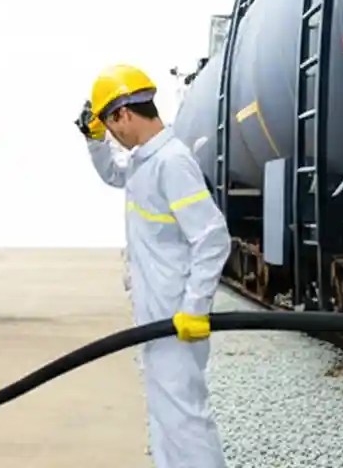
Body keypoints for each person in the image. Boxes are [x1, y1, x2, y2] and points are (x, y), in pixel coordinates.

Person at [76, 64, 231, 468]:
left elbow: (212, 237)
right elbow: (114, 173)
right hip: (157, 310)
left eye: (110, 127)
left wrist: (195, 309)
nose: (113, 136)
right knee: (165, 416)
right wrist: (94, 142)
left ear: (123, 115)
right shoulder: (146, 161)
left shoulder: (171, 163)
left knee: (185, 420)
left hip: (176, 315)